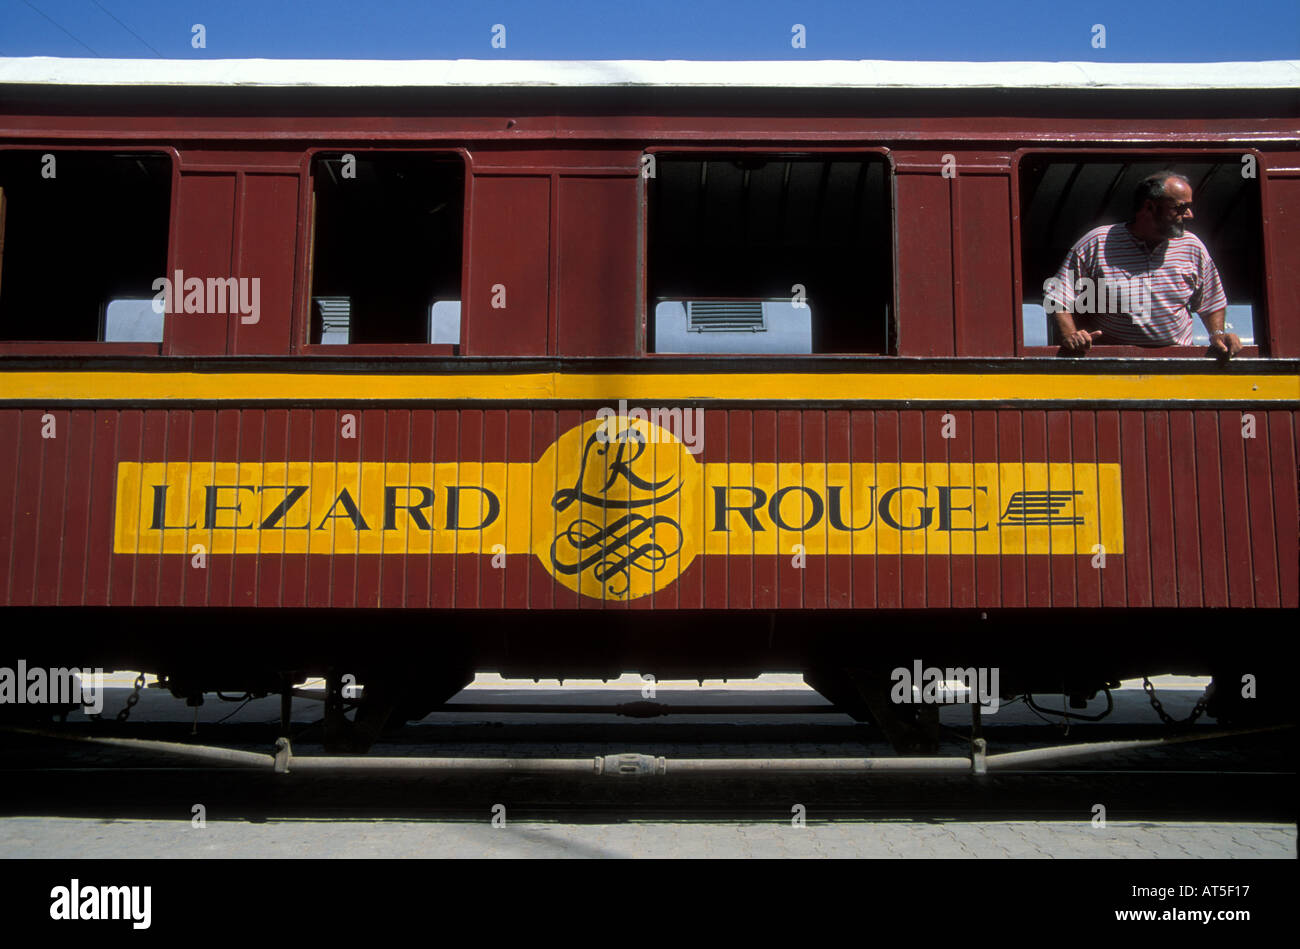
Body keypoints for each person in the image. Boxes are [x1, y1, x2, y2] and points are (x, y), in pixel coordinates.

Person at [1044, 171, 1241, 357]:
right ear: (1149, 207)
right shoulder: (1098, 242)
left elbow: (1212, 301)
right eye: (1180, 208)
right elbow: (1057, 296)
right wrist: (1071, 335)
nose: (1190, 215)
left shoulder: (1192, 247)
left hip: (1176, 363)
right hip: (1113, 362)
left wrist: (1217, 333)